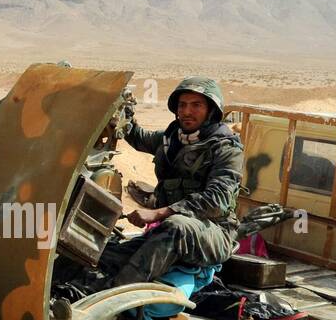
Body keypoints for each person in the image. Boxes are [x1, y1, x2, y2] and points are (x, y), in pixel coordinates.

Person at [103, 76, 245, 292]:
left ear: (211, 110)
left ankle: (113, 298)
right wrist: (123, 111)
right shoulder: (171, 139)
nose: (187, 111)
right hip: (168, 230)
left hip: (214, 233)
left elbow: (217, 200)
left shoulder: (226, 148)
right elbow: (138, 137)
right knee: (108, 254)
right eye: (182, 105)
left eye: (196, 105)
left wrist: (158, 213)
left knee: (178, 225)